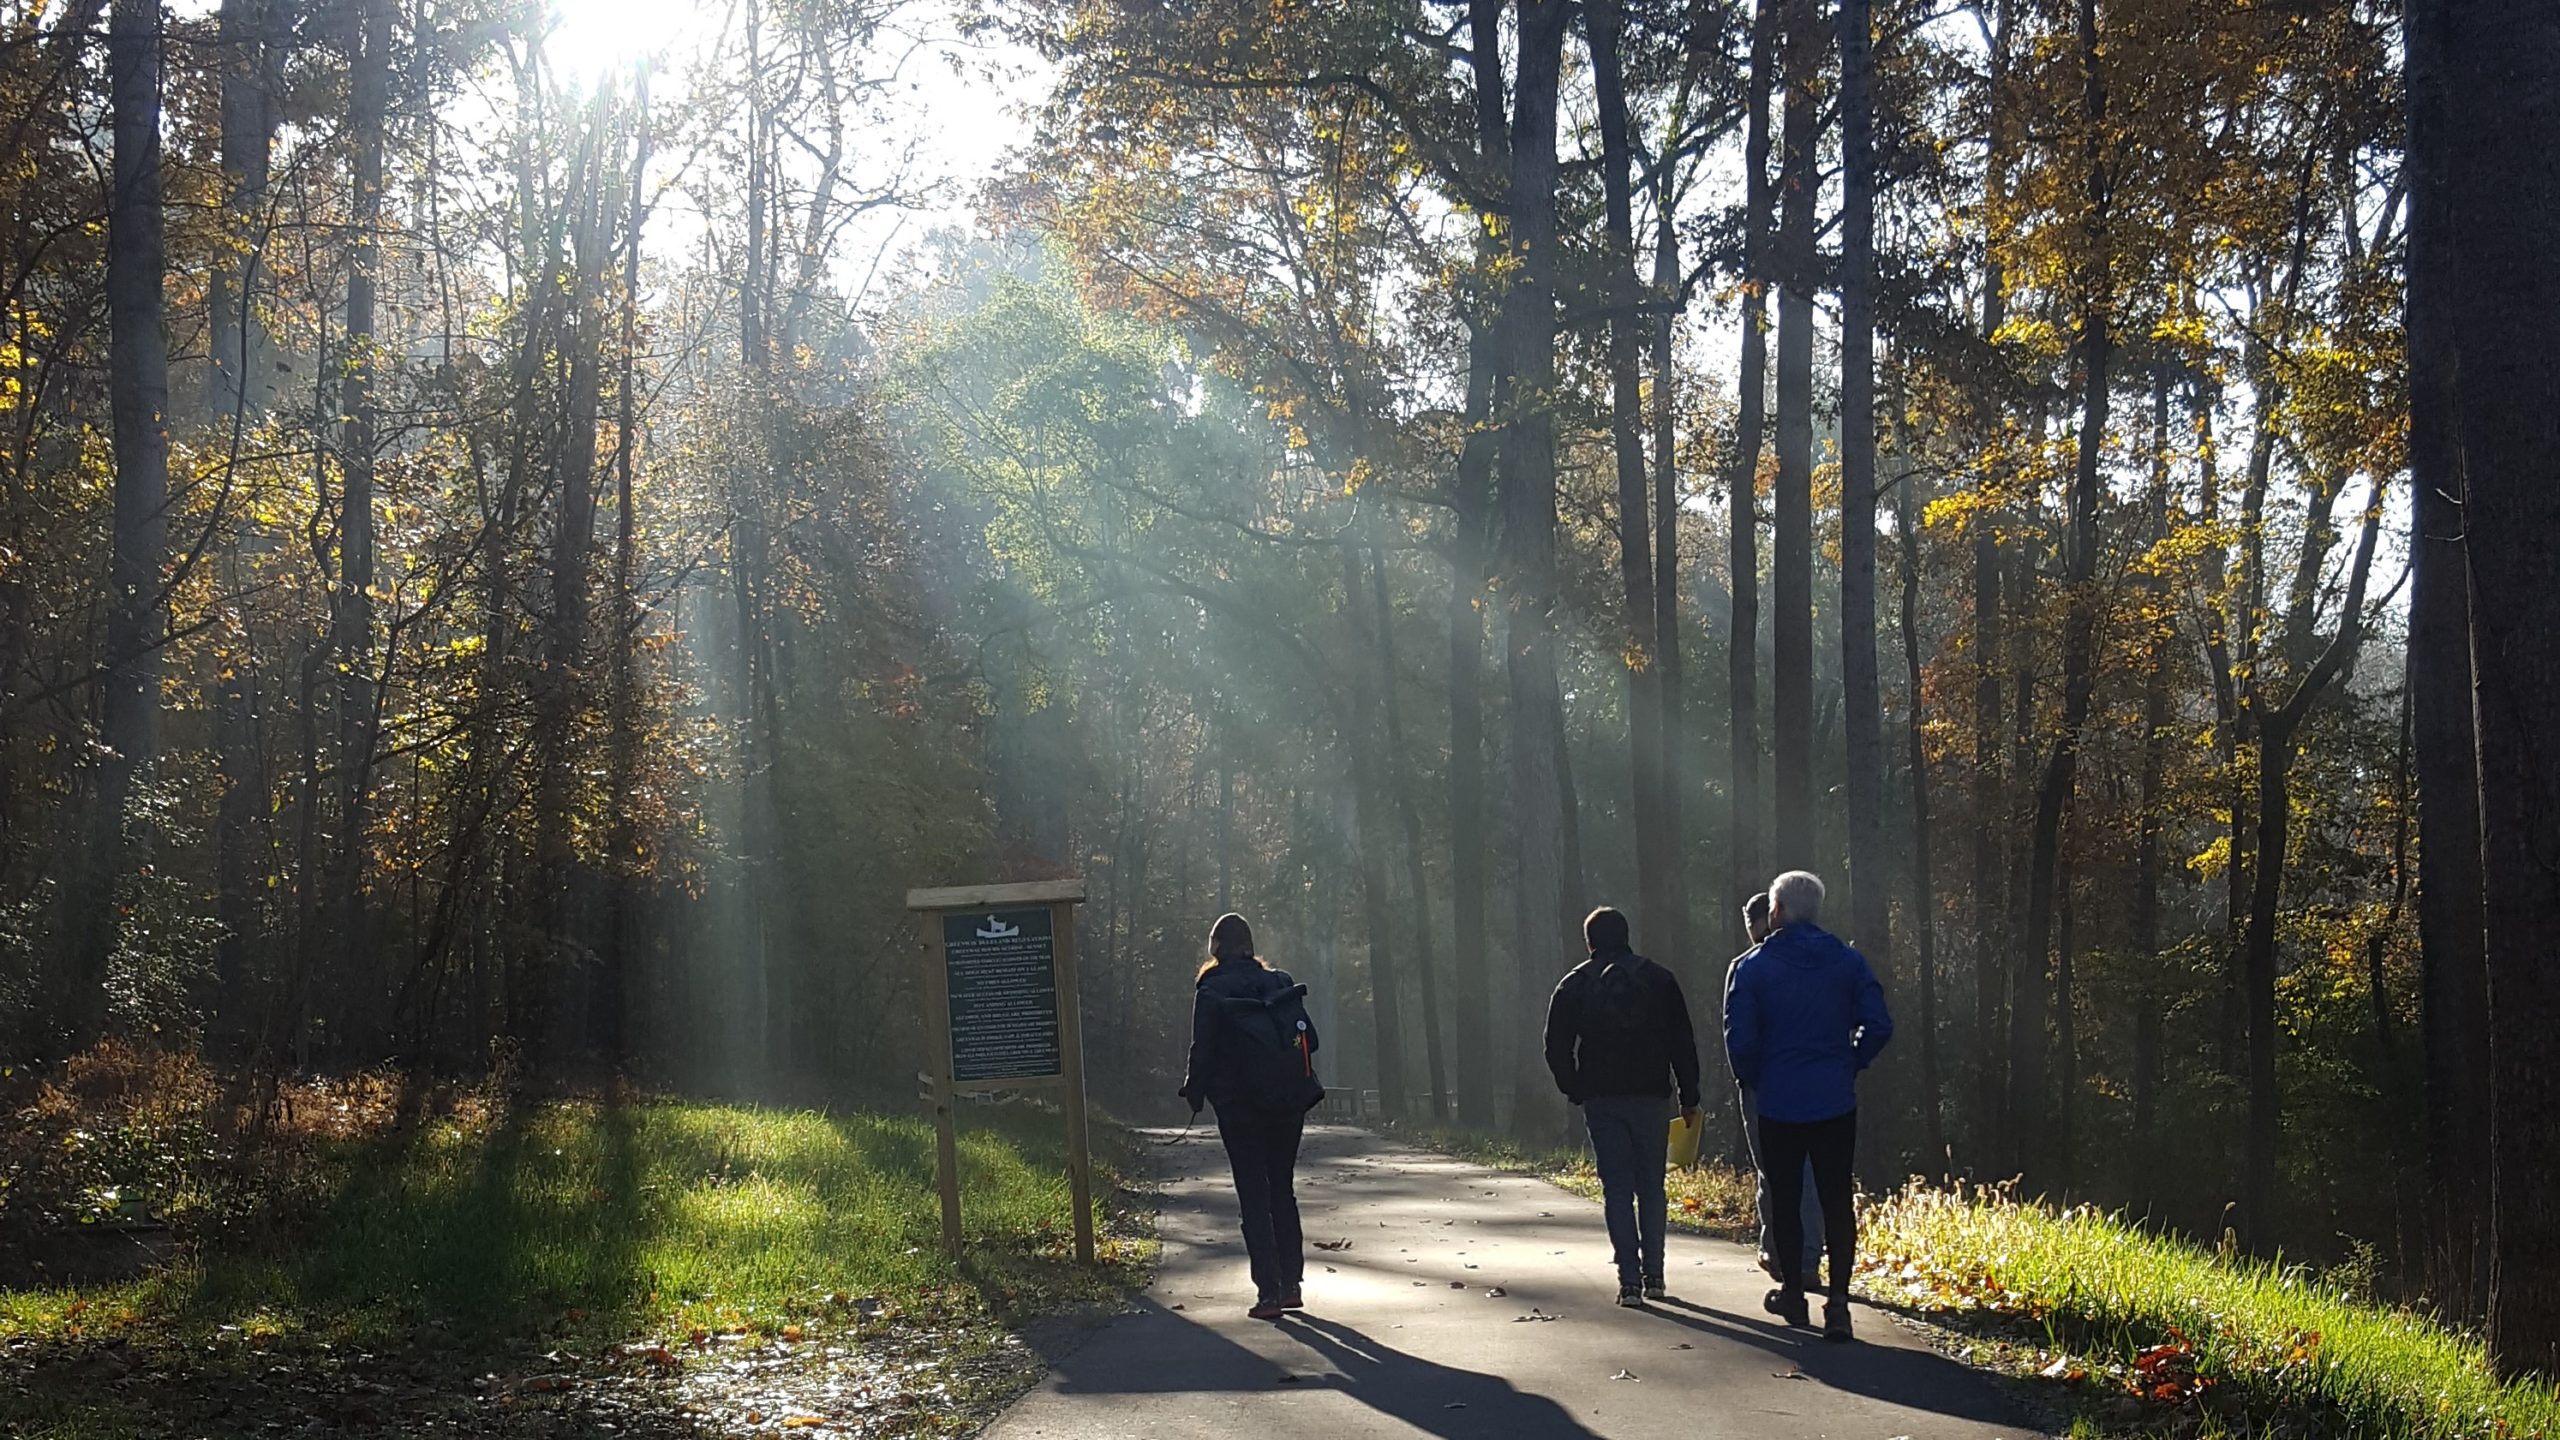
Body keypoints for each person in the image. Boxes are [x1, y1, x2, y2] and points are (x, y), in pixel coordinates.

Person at [1723, 870, 1893, 1342]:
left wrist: (1758, 1076)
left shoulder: (1753, 967)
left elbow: (1739, 1039)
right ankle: (1838, 1304)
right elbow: (1878, 1023)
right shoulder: (1847, 962)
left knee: (1785, 1196)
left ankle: (1794, 1293)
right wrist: (1851, 1061)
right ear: (1816, 910)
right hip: (1834, 1099)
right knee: (1836, 1199)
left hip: (1778, 1100)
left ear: (1775, 911)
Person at [1543, 906, 1703, 1308]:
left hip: (1602, 1097)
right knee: (1652, 1185)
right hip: (1651, 1095)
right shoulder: (1659, 979)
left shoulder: (1574, 984)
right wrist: (1689, 1094)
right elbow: (1682, 1041)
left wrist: (1575, 1087)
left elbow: (1556, 1046)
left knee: (1616, 1188)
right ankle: (1656, 1275)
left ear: (1590, 942)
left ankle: (1628, 1281)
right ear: (1628, 935)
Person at [1179, 913, 1323, 1321]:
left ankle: (1268, 1292)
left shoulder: (1210, 988)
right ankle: (1292, 1283)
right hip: (1287, 1101)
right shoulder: (1280, 983)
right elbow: (1309, 1039)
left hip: (1240, 1107)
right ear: (1251, 945)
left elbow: (1202, 1048)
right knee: (1282, 1188)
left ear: (1216, 948)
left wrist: (1195, 1093)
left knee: (1253, 1193)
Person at [1728, 892, 1823, 1285]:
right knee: (1810, 1171)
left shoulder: (1745, 966)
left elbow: (1737, 1032)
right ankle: (1807, 1258)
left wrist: (1748, 1077)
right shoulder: (1821, 959)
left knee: (1771, 1169)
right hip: (1815, 1080)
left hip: (1766, 1083)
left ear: (1758, 922)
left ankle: (1778, 1250)